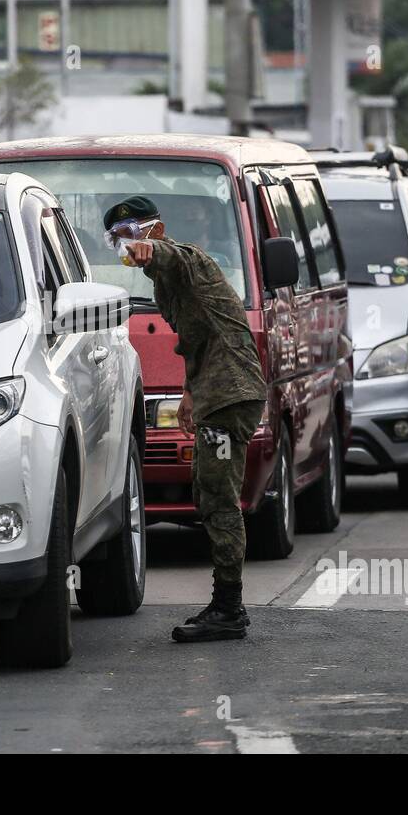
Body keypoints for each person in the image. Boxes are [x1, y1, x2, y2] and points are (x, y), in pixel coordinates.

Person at [104, 195, 267, 643]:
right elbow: (197, 339)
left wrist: (148, 249)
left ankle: (228, 609)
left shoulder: (187, 261)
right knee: (207, 489)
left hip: (232, 394)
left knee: (218, 497)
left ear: (152, 230)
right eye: (116, 239)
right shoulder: (165, 288)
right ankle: (226, 606)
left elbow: (170, 255)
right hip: (215, 392)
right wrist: (190, 393)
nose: (123, 247)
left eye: (129, 235)